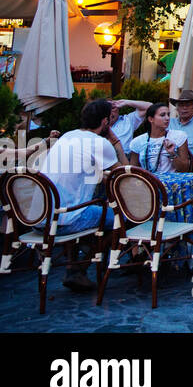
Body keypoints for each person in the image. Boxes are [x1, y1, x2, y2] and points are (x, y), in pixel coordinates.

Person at [38, 99, 124, 290]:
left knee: (83, 206)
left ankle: (76, 261)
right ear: (105, 122)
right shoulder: (100, 143)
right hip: (64, 221)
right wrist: (116, 142)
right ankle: (79, 267)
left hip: (37, 217)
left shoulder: (67, 136)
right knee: (123, 217)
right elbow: (125, 177)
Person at [127, 101, 193, 173]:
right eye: (162, 115)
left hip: (171, 182)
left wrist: (172, 154)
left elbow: (185, 169)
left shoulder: (178, 136)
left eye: (168, 115)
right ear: (151, 119)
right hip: (147, 182)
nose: (167, 118)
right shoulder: (137, 141)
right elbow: (133, 171)